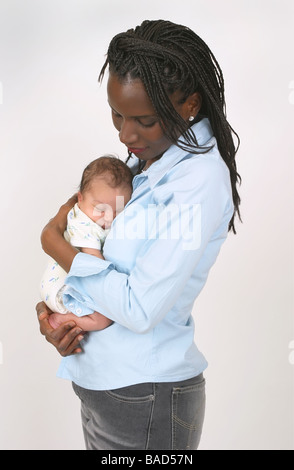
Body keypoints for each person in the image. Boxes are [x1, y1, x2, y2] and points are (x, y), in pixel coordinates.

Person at [36, 19, 241, 450]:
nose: (125, 136)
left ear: (190, 105)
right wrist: (58, 313)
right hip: (107, 387)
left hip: (146, 397)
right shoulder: (143, 163)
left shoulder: (197, 182)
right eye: (117, 114)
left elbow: (139, 306)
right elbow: (82, 230)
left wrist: (60, 251)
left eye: (144, 120)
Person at [39, 155, 133, 331]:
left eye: (117, 211)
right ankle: (60, 320)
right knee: (102, 319)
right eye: (100, 209)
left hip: (61, 283)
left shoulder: (90, 214)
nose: (108, 218)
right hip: (60, 288)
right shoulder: (84, 224)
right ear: (80, 198)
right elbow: (93, 262)